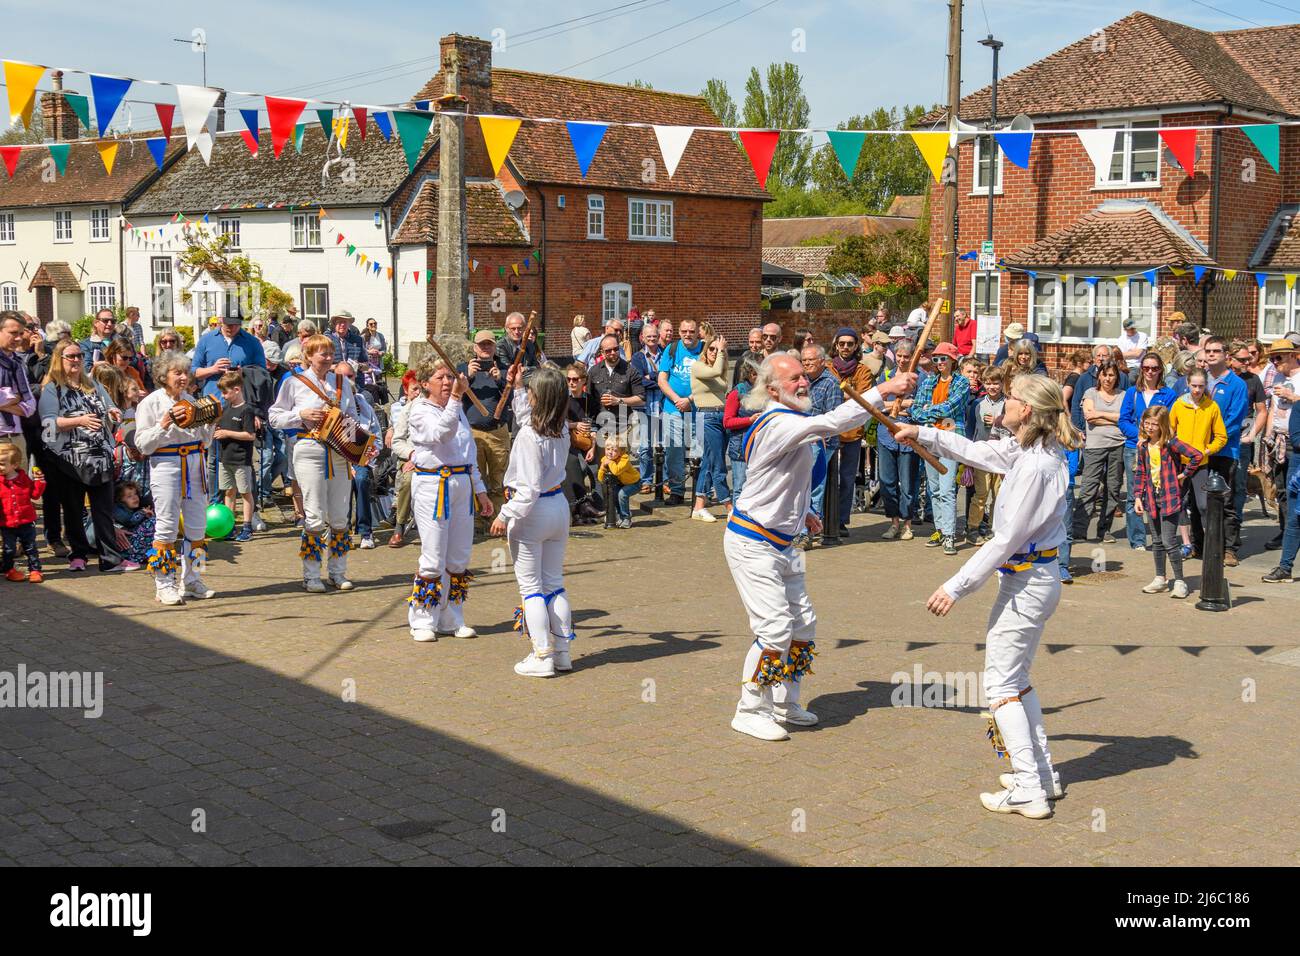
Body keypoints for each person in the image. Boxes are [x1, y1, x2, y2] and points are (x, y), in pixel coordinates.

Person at [895, 373, 1078, 819]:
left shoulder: (1037, 465)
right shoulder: (1030, 449)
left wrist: (955, 586)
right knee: (1016, 680)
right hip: (1031, 579)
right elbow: (979, 452)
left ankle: (1029, 789)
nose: (1003, 406)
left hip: (1029, 579)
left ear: (1028, 411)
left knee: (1000, 687)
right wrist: (922, 432)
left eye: (1012, 400)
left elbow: (1004, 539)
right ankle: (1041, 775)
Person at [725, 353, 915, 741]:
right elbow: (833, 422)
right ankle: (749, 708)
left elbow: (785, 479)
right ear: (773, 389)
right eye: (794, 378)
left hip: (784, 540)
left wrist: (803, 514)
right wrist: (884, 389)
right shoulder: (778, 422)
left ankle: (784, 701)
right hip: (752, 542)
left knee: (803, 625)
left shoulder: (792, 422)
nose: (803, 382)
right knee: (775, 629)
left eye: (803, 376)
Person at [491, 365, 575, 678]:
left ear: (540, 398)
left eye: (531, 391)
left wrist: (504, 514)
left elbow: (525, 491)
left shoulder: (529, 435)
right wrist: (515, 388)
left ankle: (542, 655)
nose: (528, 395)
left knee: (531, 587)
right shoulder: (562, 427)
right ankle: (563, 652)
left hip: (533, 511)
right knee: (554, 583)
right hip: (558, 507)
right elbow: (526, 415)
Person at [405, 356, 493, 642]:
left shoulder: (457, 410)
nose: (446, 382)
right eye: (440, 378)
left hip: (461, 484)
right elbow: (440, 435)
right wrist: (456, 398)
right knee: (433, 556)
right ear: (425, 383)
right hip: (433, 484)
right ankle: (422, 619)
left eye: (448, 377)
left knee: (458, 556)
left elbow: (468, 454)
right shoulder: (420, 410)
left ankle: (451, 616)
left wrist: (480, 490)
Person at [268, 334, 359, 592]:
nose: (329, 358)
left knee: (341, 516)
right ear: (309, 355)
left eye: (331, 353)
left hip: (339, 452)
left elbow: (353, 418)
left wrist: (357, 448)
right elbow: (274, 417)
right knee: (315, 516)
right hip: (308, 449)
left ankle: (338, 572)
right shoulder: (294, 382)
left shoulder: (341, 382)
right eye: (323, 353)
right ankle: (311, 575)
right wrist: (300, 415)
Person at [131, 350, 215, 603]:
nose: (183, 377)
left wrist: (211, 423)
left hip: (195, 463)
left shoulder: (192, 400)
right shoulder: (151, 403)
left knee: (198, 527)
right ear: (163, 376)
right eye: (177, 372)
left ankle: (193, 580)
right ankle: (164, 583)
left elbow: (206, 441)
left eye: (185, 372)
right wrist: (163, 424)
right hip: (166, 464)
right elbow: (142, 444)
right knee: (166, 525)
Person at [39, 339, 124, 573]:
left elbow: (109, 407)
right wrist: (79, 420)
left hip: (100, 457)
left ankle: (110, 559)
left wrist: (113, 412)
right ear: (60, 359)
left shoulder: (93, 384)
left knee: (104, 510)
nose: (76, 360)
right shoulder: (52, 388)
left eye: (78, 356)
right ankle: (78, 556)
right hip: (70, 461)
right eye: (71, 356)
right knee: (74, 510)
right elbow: (48, 423)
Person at [1132, 405, 1203, 600]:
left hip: (1170, 497)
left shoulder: (1171, 443)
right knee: (1156, 541)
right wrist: (1137, 496)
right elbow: (1141, 472)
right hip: (1151, 498)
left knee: (1169, 541)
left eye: (1154, 424)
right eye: (1147, 423)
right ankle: (1160, 578)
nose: (1150, 427)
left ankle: (1180, 581)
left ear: (1163, 425)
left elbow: (1197, 455)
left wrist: (1184, 474)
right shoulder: (1144, 446)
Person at [908, 341, 970, 555]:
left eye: (943, 358)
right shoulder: (928, 383)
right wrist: (928, 412)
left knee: (947, 489)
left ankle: (951, 535)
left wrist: (928, 410)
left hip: (950, 438)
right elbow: (915, 410)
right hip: (929, 437)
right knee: (934, 489)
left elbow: (952, 406)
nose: (939, 362)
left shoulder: (962, 382)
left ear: (953, 360)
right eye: (935, 359)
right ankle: (941, 530)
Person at [1117, 352, 1176, 552]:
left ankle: (1158, 536)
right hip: (1134, 448)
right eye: (1146, 368)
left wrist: (1154, 438)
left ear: (1161, 370)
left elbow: (1169, 423)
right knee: (1135, 493)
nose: (1150, 372)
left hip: (1159, 450)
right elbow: (1123, 420)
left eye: (1154, 368)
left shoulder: (1168, 395)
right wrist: (1140, 435)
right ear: (1141, 369)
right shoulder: (1132, 392)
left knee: (1157, 493)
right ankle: (1138, 540)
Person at [1168, 368, 1227, 559]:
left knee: (1203, 505)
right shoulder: (1178, 405)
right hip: (1180, 462)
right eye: (1194, 386)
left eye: (1201, 386)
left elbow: (1221, 437)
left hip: (1200, 463)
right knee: (1180, 503)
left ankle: (1210, 544)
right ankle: (1186, 543)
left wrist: (1206, 450)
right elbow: (1169, 430)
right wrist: (1174, 447)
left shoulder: (1211, 407)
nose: (1197, 390)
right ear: (1187, 384)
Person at [456, 331, 512, 528]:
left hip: (498, 432)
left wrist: (500, 380)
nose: (485, 348)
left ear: (495, 347)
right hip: (473, 433)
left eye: (489, 345)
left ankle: (498, 519)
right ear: (474, 348)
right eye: (481, 345)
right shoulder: (463, 370)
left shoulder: (504, 370)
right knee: (476, 478)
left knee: (499, 479)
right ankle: (479, 520)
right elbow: (454, 396)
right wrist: (468, 378)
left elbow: (513, 398)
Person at [1201, 337, 1248, 566]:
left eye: (1216, 351)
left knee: (1226, 501)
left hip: (1225, 451)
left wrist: (1212, 441)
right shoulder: (1200, 381)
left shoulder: (1237, 384)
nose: (1211, 355)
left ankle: (1230, 548)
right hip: (1200, 451)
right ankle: (1200, 545)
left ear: (1226, 355)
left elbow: (1234, 419)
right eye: (1208, 351)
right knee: (1199, 500)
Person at [829, 327, 876, 534]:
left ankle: (840, 520)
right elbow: (828, 394)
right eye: (842, 343)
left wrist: (840, 395)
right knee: (827, 478)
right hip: (830, 430)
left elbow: (864, 397)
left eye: (849, 343)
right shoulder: (828, 368)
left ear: (856, 345)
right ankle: (824, 518)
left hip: (853, 432)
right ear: (836, 345)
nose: (845, 347)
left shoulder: (863, 370)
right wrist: (851, 395)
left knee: (847, 479)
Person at [1073, 361, 1126, 545]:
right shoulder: (1091, 393)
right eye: (1105, 375)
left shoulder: (1123, 395)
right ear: (1099, 376)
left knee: (1113, 488)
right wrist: (1114, 419)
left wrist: (1100, 415)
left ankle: (1105, 530)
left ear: (1116, 377)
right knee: (1088, 487)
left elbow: (1124, 419)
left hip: (1118, 445)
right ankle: (1079, 529)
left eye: (1112, 375)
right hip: (1095, 446)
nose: (1108, 379)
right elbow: (1089, 417)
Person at [656, 317, 704, 505]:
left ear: (697, 332)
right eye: (684, 331)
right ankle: (676, 490)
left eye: (691, 331)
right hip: (672, 408)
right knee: (673, 451)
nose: (687, 335)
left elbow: (709, 380)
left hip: (697, 408)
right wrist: (677, 400)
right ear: (679, 332)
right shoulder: (672, 349)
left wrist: (689, 400)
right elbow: (662, 379)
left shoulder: (704, 350)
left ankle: (700, 492)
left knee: (698, 452)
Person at [878, 341, 919, 541]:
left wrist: (900, 407)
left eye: (906, 356)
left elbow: (918, 408)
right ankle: (893, 523)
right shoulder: (885, 376)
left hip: (908, 436)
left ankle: (907, 524)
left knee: (908, 482)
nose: (902, 360)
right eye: (899, 356)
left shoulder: (921, 379)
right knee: (887, 480)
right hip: (885, 435)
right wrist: (900, 405)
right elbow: (876, 405)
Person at [1261, 340, 1300, 550]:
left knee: (1297, 489)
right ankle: (1286, 533)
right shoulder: (1277, 376)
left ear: (1292, 356)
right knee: (1282, 489)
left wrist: (1292, 396)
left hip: (1297, 442)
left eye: (1279, 358)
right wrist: (1268, 437)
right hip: (1278, 440)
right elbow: (1272, 410)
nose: (1275, 363)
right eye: (1272, 359)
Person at [966, 365, 1010, 545]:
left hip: (1001, 454)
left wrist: (999, 423)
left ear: (1002, 384)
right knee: (981, 492)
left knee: (999, 493)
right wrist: (968, 456)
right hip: (982, 453)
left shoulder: (1008, 404)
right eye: (988, 383)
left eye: (996, 383)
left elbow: (1014, 428)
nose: (992, 387)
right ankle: (973, 528)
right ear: (983, 384)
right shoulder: (978, 404)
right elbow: (971, 430)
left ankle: (995, 527)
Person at [1229, 342, 1269, 537]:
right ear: (1230, 358)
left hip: (1242, 438)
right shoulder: (1221, 378)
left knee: (1239, 485)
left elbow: (1262, 411)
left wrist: (1252, 434)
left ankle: (1234, 532)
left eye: (1249, 358)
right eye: (1242, 359)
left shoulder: (1253, 380)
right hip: (1219, 439)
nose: (1248, 362)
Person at [689, 329, 729, 521]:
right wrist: (722, 350)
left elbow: (721, 381)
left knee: (710, 461)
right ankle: (729, 504)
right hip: (706, 417)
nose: (714, 352)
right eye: (711, 349)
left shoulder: (719, 368)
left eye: (717, 349)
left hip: (720, 417)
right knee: (717, 463)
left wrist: (722, 355)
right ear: (705, 350)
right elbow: (714, 371)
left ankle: (699, 506)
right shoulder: (698, 366)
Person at [215, 370, 257, 543]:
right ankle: (229, 526)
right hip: (225, 459)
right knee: (229, 492)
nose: (223, 396)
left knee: (245, 493)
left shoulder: (246, 410)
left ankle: (247, 526)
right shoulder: (225, 410)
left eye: (225, 392)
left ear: (237, 390)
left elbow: (250, 435)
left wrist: (226, 433)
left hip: (241, 460)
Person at [386, 371, 421, 547]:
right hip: (409, 458)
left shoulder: (441, 407)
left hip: (435, 459)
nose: (419, 393)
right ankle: (399, 526)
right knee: (407, 481)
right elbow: (397, 441)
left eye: (421, 388)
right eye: (415, 389)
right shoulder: (406, 409)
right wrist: (413, 455)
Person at [0, 442, 44, 582]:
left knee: (30, 547)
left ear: (14, 465)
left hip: (26, 521)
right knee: (8, 549)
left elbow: (35, 495)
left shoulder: (24, 479)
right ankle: (9, 570)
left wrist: (39, 482)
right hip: (6, 523)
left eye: (2, 464)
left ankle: (35, 570)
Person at [629, 322, 662, 493]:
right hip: (646, 407)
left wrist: (652, 376)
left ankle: (665, 481)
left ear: (659, 336)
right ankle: (646, 480)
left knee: (666, 446)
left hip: (664, 406)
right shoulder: (637, 357)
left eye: (654, 335)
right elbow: (638, 381)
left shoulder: (666, 355)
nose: (652, 338)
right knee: (645, 447)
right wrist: (660, 381)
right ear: (642, 337)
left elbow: (670, 378)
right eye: (648, 336)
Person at [0, 312, 37, 460]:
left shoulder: (16, 364)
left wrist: (5, 401)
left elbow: (30, 406)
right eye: (13, 333)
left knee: (21, 483)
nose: (19, 338)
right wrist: (16, 398)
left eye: (21, 333)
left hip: (16, 437)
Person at [724, 358, 761, 500]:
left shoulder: (768, 391)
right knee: (740, 488)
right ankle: (737, 521)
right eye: (754, 374)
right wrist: (749, 420)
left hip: (760, 447)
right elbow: (727, 421)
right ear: (747, 374)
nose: (758, 377)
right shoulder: (737, 392)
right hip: (741, 447)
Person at [597, 433, 640, 529]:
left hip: (634, 483)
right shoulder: (605, 459)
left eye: (614, 450)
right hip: (621, 483)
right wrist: (603, 467)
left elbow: (616, 471)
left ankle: (626, 518)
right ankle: (620, 516)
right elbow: (600, 478)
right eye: (608, 449)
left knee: (622, 494)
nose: (610, 452)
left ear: (621, 452)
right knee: (614, 494)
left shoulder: (624, 460)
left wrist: (610, 462)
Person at [112, 480, 154, 570]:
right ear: (120, 500)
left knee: (151, 523)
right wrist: (142, 512)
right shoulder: (118, 509)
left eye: (135, 494)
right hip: (126, 548)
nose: (135, 498)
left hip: (130, 544)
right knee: (151, 523)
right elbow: (129, 521)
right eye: (129, 496)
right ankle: (138, 556)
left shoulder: (130, 509)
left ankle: (149, 553)